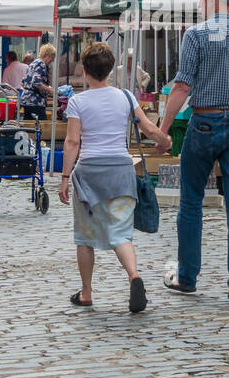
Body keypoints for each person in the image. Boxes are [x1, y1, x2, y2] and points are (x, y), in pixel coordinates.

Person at [157, 0, 229, 300]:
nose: (198, 2)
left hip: (204, 122)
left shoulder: (197, 35)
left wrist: (162, 129)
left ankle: (187, 276)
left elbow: (183, 85)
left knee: (191, 202)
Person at [60, 41, 169, 312]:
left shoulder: (77, 102)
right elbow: (147, 128)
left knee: (85, 236)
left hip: (90, 172)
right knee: (121, 232)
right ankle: (134, 275)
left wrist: (64, 177)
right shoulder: (126, 97)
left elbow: (73, 142)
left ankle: (86, 292)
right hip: (121, 170)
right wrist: (164, 141)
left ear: (85, 71)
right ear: (110, 70)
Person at [19, 44, 57, 119]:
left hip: (26, 100)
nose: (52, 60)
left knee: (29, 126)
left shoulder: (34, 63)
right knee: (43, 126)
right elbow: (36, 82)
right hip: (35, 101)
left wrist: (45, 87)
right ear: (48, 55)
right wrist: (49, 90)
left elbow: (24, 81)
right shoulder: (41, 64)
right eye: (52, 58)